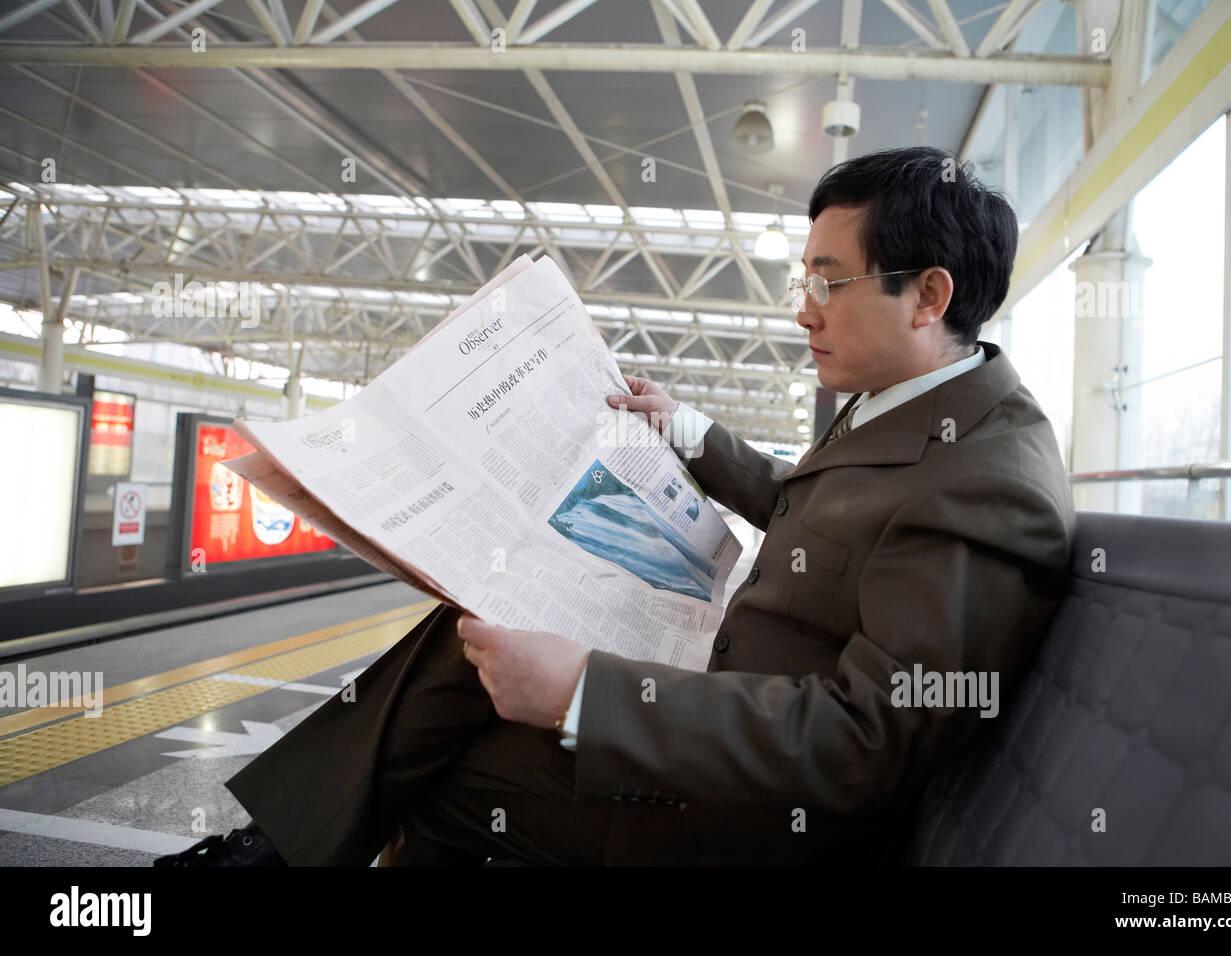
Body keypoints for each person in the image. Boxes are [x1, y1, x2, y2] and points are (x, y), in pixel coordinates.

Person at [155, 146, 1075, 867]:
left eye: (827, 283)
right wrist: (690, 436)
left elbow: (864, 742)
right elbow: (821, 515)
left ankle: (263, 856)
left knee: (434, 776)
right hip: (726, 696)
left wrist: (588, 694)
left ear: (929, 295)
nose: (805, 311)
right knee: (473, 626)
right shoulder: (914, 400)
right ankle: (262, 854)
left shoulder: (990, 480)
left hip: (764, 825)